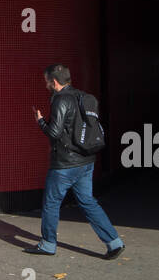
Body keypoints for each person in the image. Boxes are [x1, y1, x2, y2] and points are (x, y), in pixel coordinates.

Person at [27, 63, 125, 260]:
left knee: (51, 203)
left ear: (54, 81)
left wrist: (40, 121)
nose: (46, 84)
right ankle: (114, 242)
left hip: (64, 164)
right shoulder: (83, 97)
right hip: (87, 161)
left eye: (47, 81)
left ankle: (47, 244)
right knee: (88, 201)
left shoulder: (60, 100)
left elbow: (54, 133)